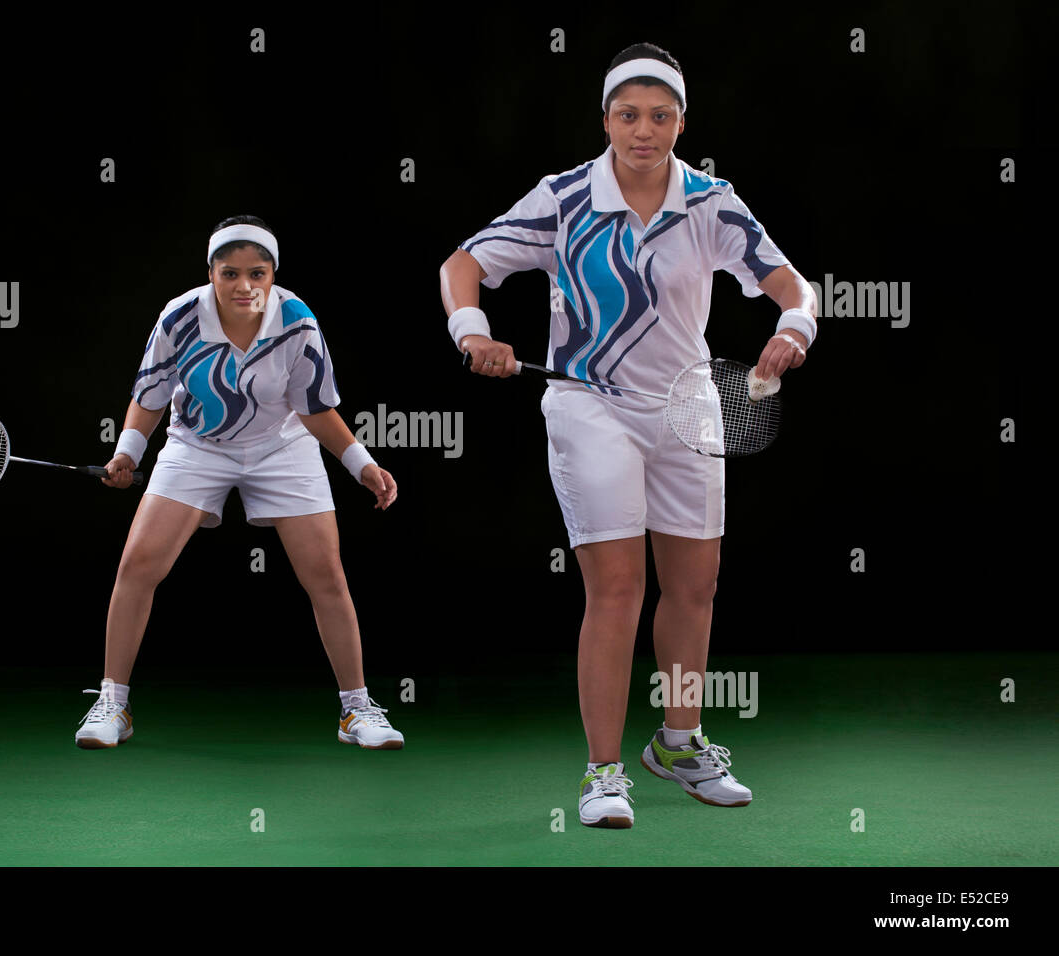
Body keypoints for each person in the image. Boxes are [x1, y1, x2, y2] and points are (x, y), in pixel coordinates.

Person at [438, 44, 816, 827]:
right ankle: (602, 771)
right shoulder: (564, 197)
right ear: (605, 117)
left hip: (686, 405)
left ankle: (678, 742)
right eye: (628, 115)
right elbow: (463, 262)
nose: (644, 131)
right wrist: (472, 331)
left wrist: (797, 327)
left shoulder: (712, 201)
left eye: (661, 115)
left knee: (695, 587)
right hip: (589, 403)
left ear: (683, 119)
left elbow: (791, 285)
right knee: (617, 588)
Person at [75, 215, 404, 751]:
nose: (244, 286)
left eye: (257, 273)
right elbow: (150, 396)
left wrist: (361, 464)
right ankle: (114, 702)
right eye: (230, 273)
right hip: (196, 445)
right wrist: (126, 453)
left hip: (282, 446)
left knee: (326, 574)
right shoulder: (180, 317)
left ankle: (357, 709)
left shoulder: (297, 321)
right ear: (211, 274)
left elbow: (315, 407)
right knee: (138, 563)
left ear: (273, 275)